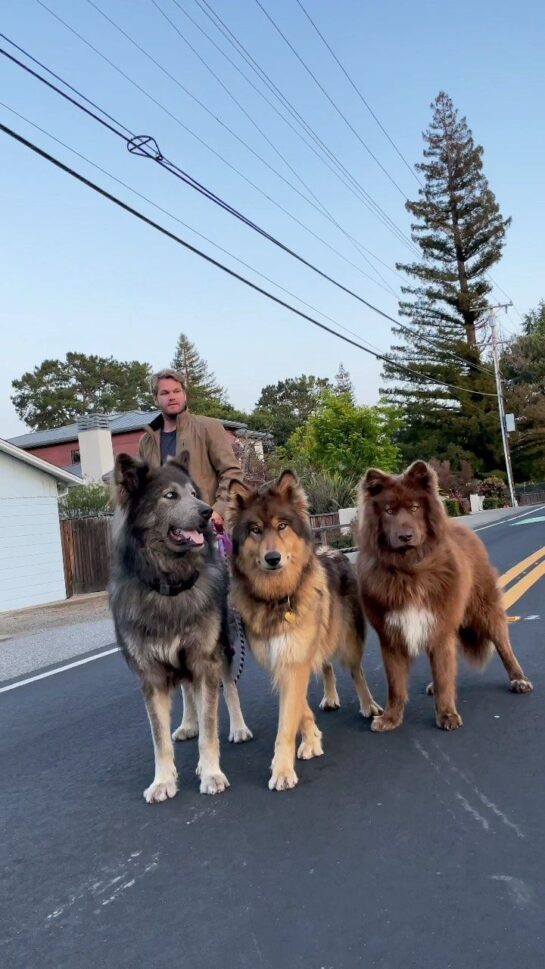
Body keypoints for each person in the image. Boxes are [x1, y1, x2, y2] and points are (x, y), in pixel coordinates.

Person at [139, 368, 243, 529]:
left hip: (207, 525)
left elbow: (232, 472)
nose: (172, 397)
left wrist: (219, 510)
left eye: (176, 391)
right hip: (168, 531)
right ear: (155, 399)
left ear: (184, 395)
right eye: (165, 393)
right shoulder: (147, 441)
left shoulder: (209, 427)